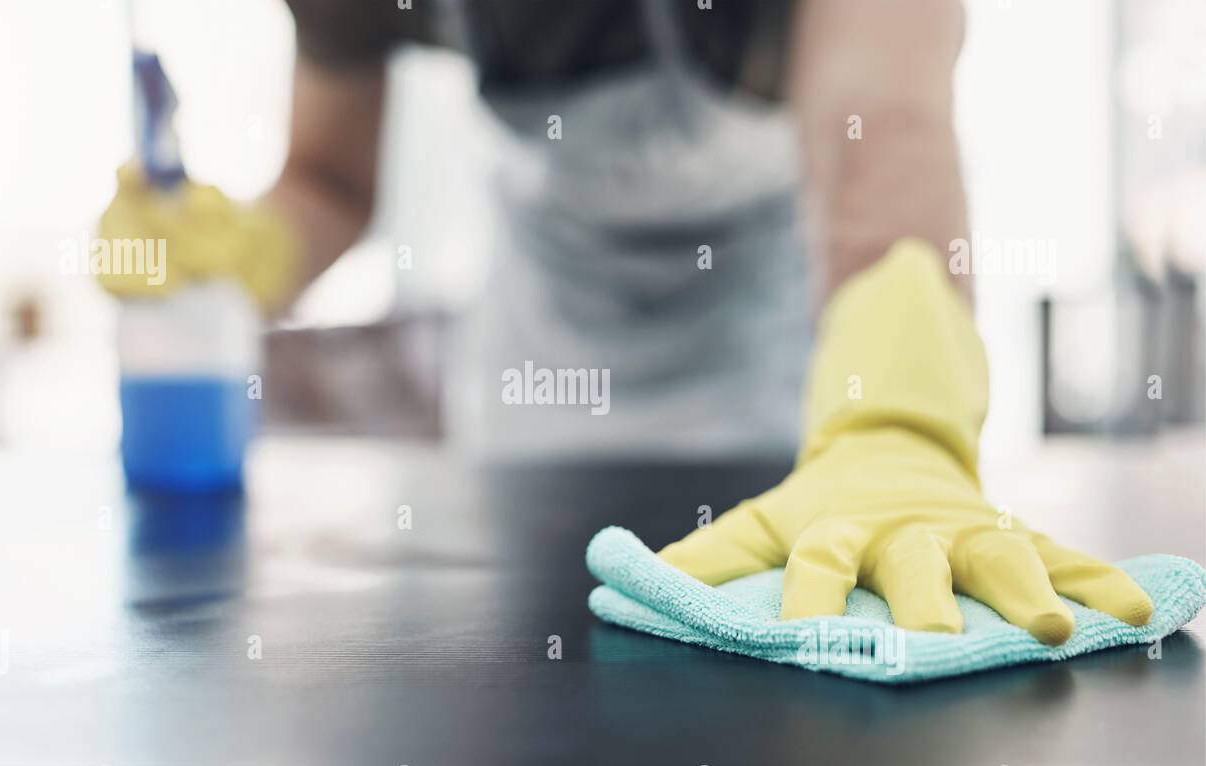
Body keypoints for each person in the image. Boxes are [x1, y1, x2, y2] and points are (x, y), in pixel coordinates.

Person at [98, 0, 1154, 645]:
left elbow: (884, 126)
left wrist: (899, 421)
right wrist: (226, 262)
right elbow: (329, 176)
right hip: (541, 379)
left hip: (800, 377)